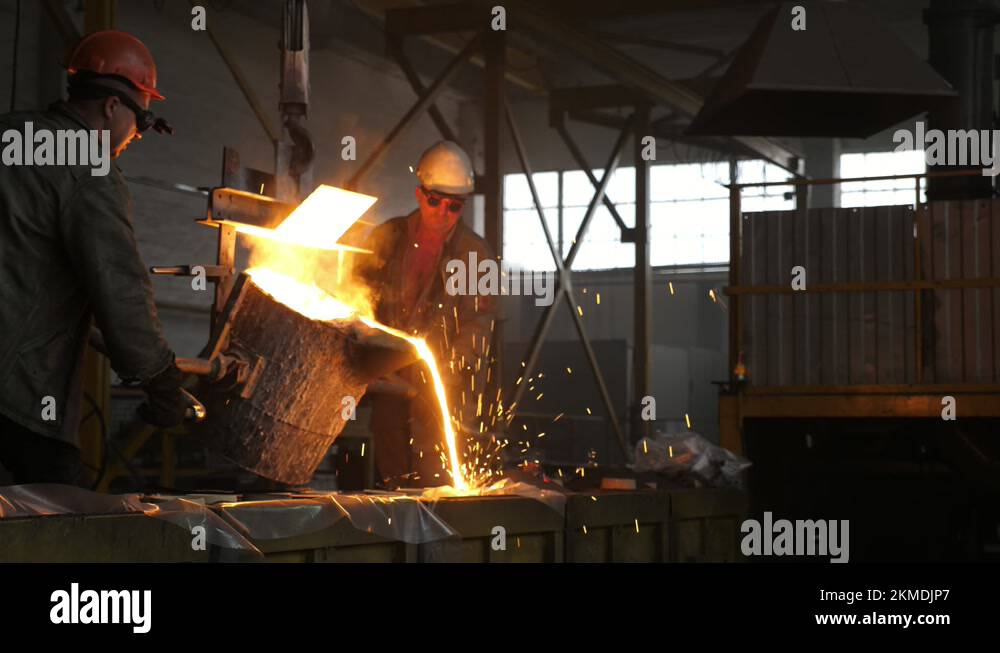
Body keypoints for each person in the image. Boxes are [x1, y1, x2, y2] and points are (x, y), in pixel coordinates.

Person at [0, 30, 185, 485]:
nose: (136, 136)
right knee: (58, 523)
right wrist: (159, 378)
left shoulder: (7, 133)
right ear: (111, 107)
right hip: (15, 398)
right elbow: (119, 285)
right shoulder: (90, 166)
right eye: (141, 122)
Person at [353, 141, 498, 486]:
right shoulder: (387, 238)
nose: (443, 213)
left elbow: (479, 325)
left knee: (437, 474)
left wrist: (449, 371)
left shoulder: (476, 254)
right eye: (435, 201)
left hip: (441, 383)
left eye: (454, 206)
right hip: (390, 373)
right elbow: (358, 294)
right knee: (392, 473)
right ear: (420, 194)